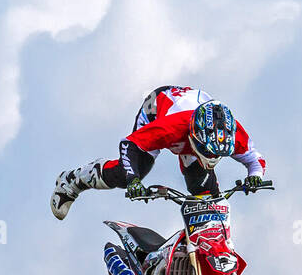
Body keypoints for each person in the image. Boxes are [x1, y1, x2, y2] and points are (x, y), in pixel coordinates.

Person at [50, 85, 267, 221]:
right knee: (128, 174)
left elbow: (255, 160)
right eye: (206, 151)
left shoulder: (231, 131)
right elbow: (129, 145)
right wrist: (134, 179)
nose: (211, 158)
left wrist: (255, 178)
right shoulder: (170, 128)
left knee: (206, 194)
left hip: (194, 118)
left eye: (216, 153)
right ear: (193, 136)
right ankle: (73, 180)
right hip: (155, 110)